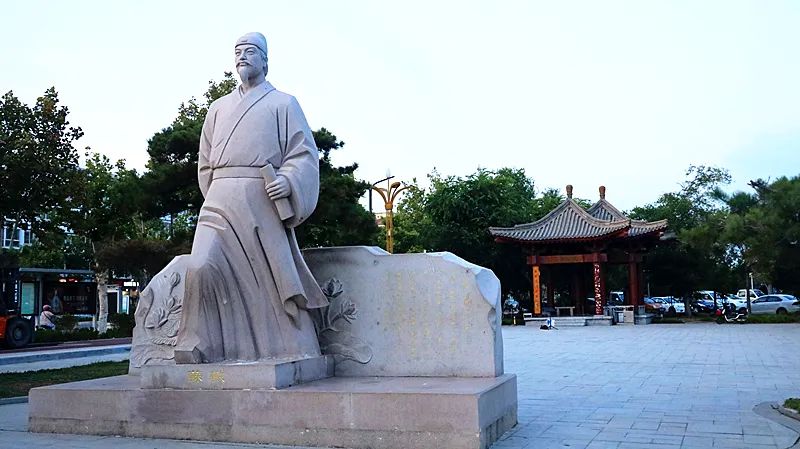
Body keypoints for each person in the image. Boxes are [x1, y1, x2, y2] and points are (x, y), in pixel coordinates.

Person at [173, 32, 327, 363]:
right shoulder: (217, 108)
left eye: (251, 51)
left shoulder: (283, 104)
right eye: (238, 52)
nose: (242, 56)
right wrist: (219, 190)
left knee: (262, 281)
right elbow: (205, 162)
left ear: (265, 61)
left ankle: (277, 347)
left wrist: (288, 182)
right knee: (200, 266)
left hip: (261, 201)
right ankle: (198, 339)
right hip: (219, 200)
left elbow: (303, 154)